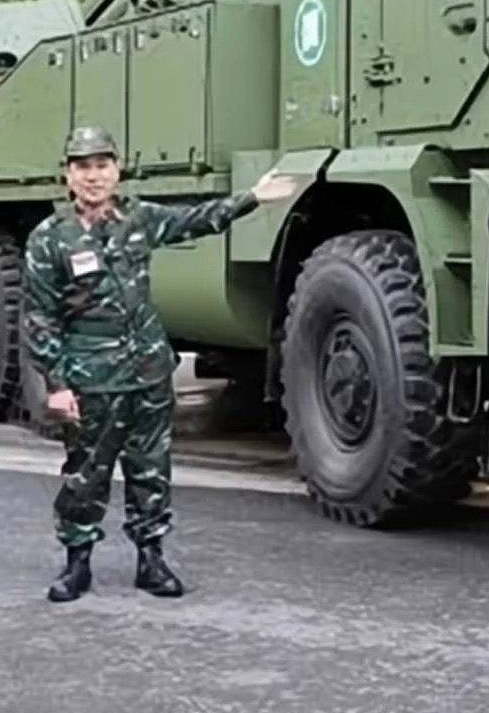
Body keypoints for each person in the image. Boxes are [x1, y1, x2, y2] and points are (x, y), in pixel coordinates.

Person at [23, 125, 295, 603]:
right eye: (83, 167)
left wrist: (253, 197)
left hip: (146, 372)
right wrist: (57, 382)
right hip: (91, 378)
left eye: (102, 165)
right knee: (87, 471)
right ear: (67, 174)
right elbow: (40, 316)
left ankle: (151, 558)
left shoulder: (139, 218)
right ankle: (77, 562)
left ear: (117, 168)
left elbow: (197, 220)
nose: (94, 176)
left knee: (151, 468)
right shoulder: (50, 239)